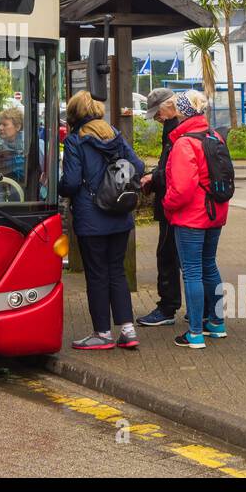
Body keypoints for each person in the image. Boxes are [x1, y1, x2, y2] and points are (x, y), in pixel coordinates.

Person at [59, 90, 145, 350]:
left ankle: (102, 333)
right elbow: (138, 166)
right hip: (119, 213)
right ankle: (128, 330)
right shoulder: (114, 134)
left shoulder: (76, 141)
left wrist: (59, 187)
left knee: (97, 274)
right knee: (116, 271)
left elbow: (72, 182)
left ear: (74, 115)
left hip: (91, 217)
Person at [161, 90, 230, 349]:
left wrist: (167, 206)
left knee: (191, 271)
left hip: (191, 216)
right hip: (216, 211)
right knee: (209, 265)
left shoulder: (184, 143)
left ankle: (195, 333)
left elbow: (181, 188)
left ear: (181, 112)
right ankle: (216, 322)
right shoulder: (215, 136)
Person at [135, 88, 185, 328]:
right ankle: (202, 309)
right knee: (192, 259)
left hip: (173, 204)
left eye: (158, 113)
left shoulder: (175, 130)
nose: (157, 118)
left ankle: (167, 307)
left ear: (169, 105)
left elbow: (174, 169)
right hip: (188, 206)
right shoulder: (184, 126)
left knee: (167, 255)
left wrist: (154, 178)